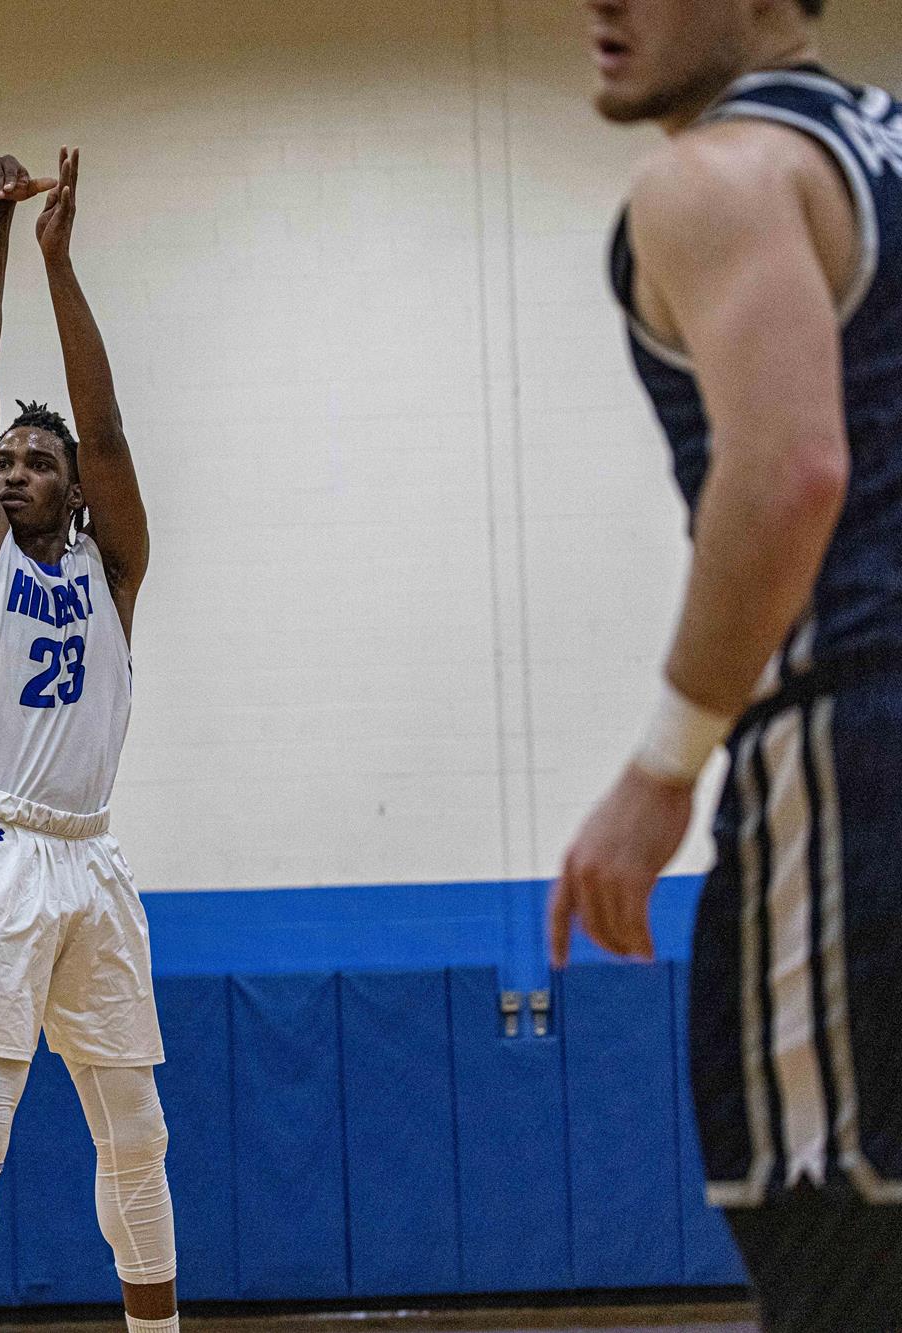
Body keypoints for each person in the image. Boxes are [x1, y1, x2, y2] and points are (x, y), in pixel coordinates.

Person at [550, 1, 902, 1326]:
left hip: (854, 758)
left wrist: (661, 767)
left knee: (840, 1261)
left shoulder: (718, 175)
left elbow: (794, 469)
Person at [0, 147, 177, 1333]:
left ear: (73, 487)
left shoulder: (114, 573)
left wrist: (64, 263)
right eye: (5, 460)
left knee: (137, 1126)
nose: (13, 468)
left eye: (36, 461)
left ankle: (157, 1326)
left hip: (91, 857)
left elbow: (106, 424)